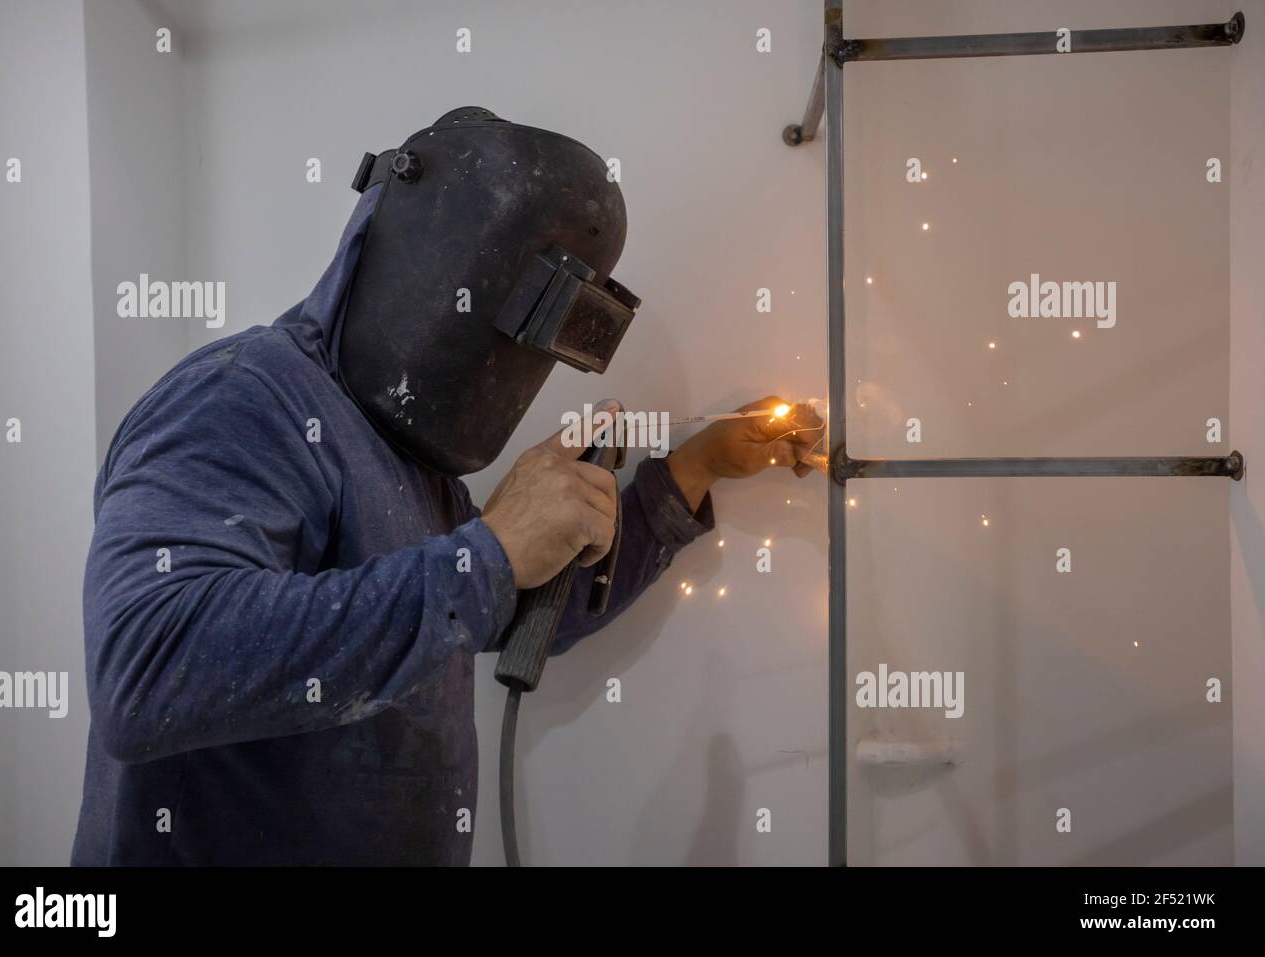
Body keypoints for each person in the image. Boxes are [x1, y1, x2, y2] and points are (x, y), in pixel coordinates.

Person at [72, 108, 821, 865]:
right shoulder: (244, 399)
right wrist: (490, 553)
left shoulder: (408, 460)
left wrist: (695, 468)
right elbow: (148, 666)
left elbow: (504, 614)